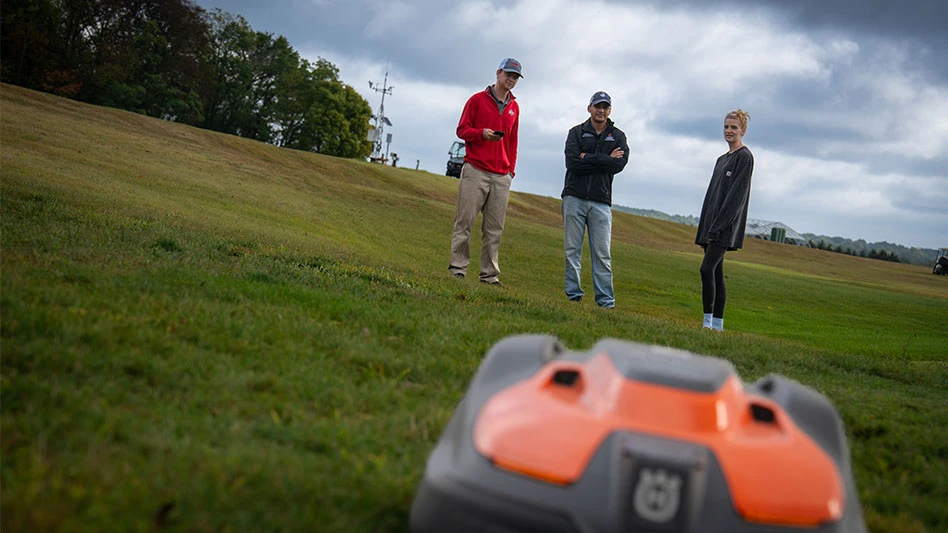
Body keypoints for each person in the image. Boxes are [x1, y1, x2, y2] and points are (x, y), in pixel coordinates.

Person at [448, 58, 522, 286]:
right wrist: (481, 134)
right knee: (465, 222)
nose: (511, 79)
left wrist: (511, 170)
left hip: (501, 176)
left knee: (494, 229)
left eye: (515, 77)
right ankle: (458, 269)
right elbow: (462, 130)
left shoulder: (514, 107)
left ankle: (489, 275)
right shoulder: (477, 100)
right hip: (475, 170)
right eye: (508, 74)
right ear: (498, 72)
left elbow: (513, 141)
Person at [561, 91, 629, 308]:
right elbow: (572, 163)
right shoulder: (576, 133)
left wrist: (587, 157)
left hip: (601, 201)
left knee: (602, 254)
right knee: (572, 250)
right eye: (597, 106)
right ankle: (574, 296)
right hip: (574, 197)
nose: (600, 111)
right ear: (589, 108)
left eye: (605, 107)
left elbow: (618, 165)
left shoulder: (617, 136)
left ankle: (606, 302)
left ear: (610, 110)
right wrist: (605, 159)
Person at [695, 109, 754, 331]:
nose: (729, 131)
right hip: (711, 226)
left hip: (725, 228)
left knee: (706, 269)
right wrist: (705, 229)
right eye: (727, 127)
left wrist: (718, 227)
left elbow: (736, 198)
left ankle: (708, 321)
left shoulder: (745, 157)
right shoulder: (721, 160)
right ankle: (717, 325)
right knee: (717, 273)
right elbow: (712, 196)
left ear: (743, 130)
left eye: (734, 128)